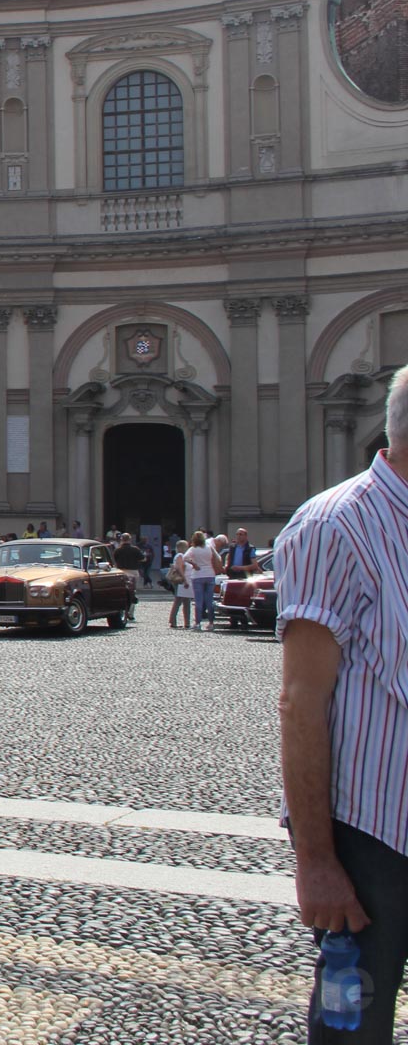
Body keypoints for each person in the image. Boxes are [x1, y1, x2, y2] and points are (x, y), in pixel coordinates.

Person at [278, 367, 408, 1041]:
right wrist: (318, 861)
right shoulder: (337, 525)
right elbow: (301, 703)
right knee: (356, 1027)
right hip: (376, 836)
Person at [184, 529, 221, 631]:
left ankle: (198, 623)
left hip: (198, 575)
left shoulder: (193, 549)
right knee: (209, 601)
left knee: (199, 601)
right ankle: (211, 623)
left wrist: (194, 564)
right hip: (210, 574)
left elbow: (185, 558)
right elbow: (218, 557)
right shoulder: (209, 547)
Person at [167, 538, 195, 628]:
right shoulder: (180, 555)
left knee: (186, 602)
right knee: (178, 601)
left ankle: (187, 623)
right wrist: (185, 580)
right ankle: (173, 621)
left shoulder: (183, 556)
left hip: (184, 581)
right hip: (181, 581)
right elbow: (179, 568)